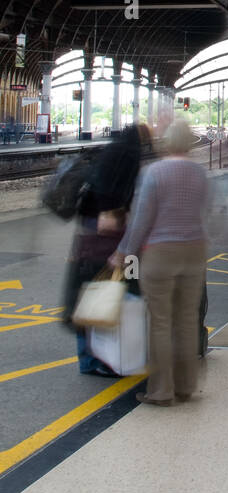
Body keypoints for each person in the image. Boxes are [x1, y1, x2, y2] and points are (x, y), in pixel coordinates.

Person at [111, 117, 208, 406]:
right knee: (187, 320)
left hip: (160, 254)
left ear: (167, 141)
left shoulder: (154, 172)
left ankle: (162, 391)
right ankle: (186, 386)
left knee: (161, 322)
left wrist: (124, 251)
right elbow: (207, 214)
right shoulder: (200, 174)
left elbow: (142, 219)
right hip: (195, 251)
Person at [61, 124, 153, 376]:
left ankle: (108, 354)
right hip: (106, 243)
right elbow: (115, 200)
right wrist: (112, 215)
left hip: (99, 240)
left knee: (98, 292)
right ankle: (95, 358)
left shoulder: (114, 155)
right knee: (100, 293)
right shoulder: (125, 158)